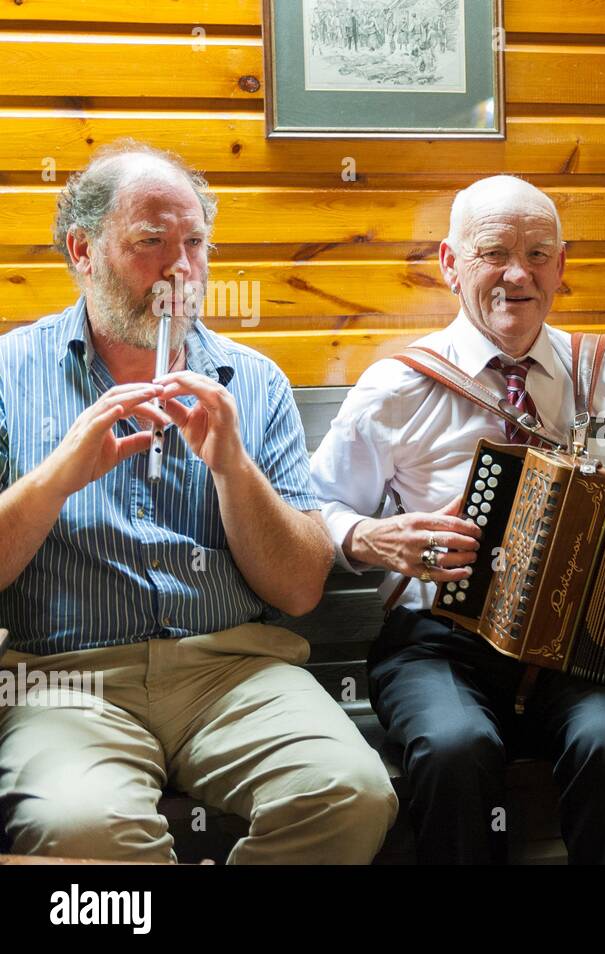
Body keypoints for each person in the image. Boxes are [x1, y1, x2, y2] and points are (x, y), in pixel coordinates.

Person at [310, 175, 605, 865]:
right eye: (493, 251)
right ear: (450, 263)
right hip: (439, 645)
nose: (516, 273)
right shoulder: (399, 385)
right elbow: (313, 507)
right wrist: (365, 536)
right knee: (455, 750)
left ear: (561, 265)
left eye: (537, 253)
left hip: (583, 646)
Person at [0, 141, 397, 863]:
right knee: (81, 830)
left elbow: (300, 589)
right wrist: (56, 477)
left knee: (349, 793)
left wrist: (233, 470)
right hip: (66, 681)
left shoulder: (253, 380)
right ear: (82, 251)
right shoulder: (9, 374)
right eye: (152, 243)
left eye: (194, 244)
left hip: (235, 669)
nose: (180, 270)